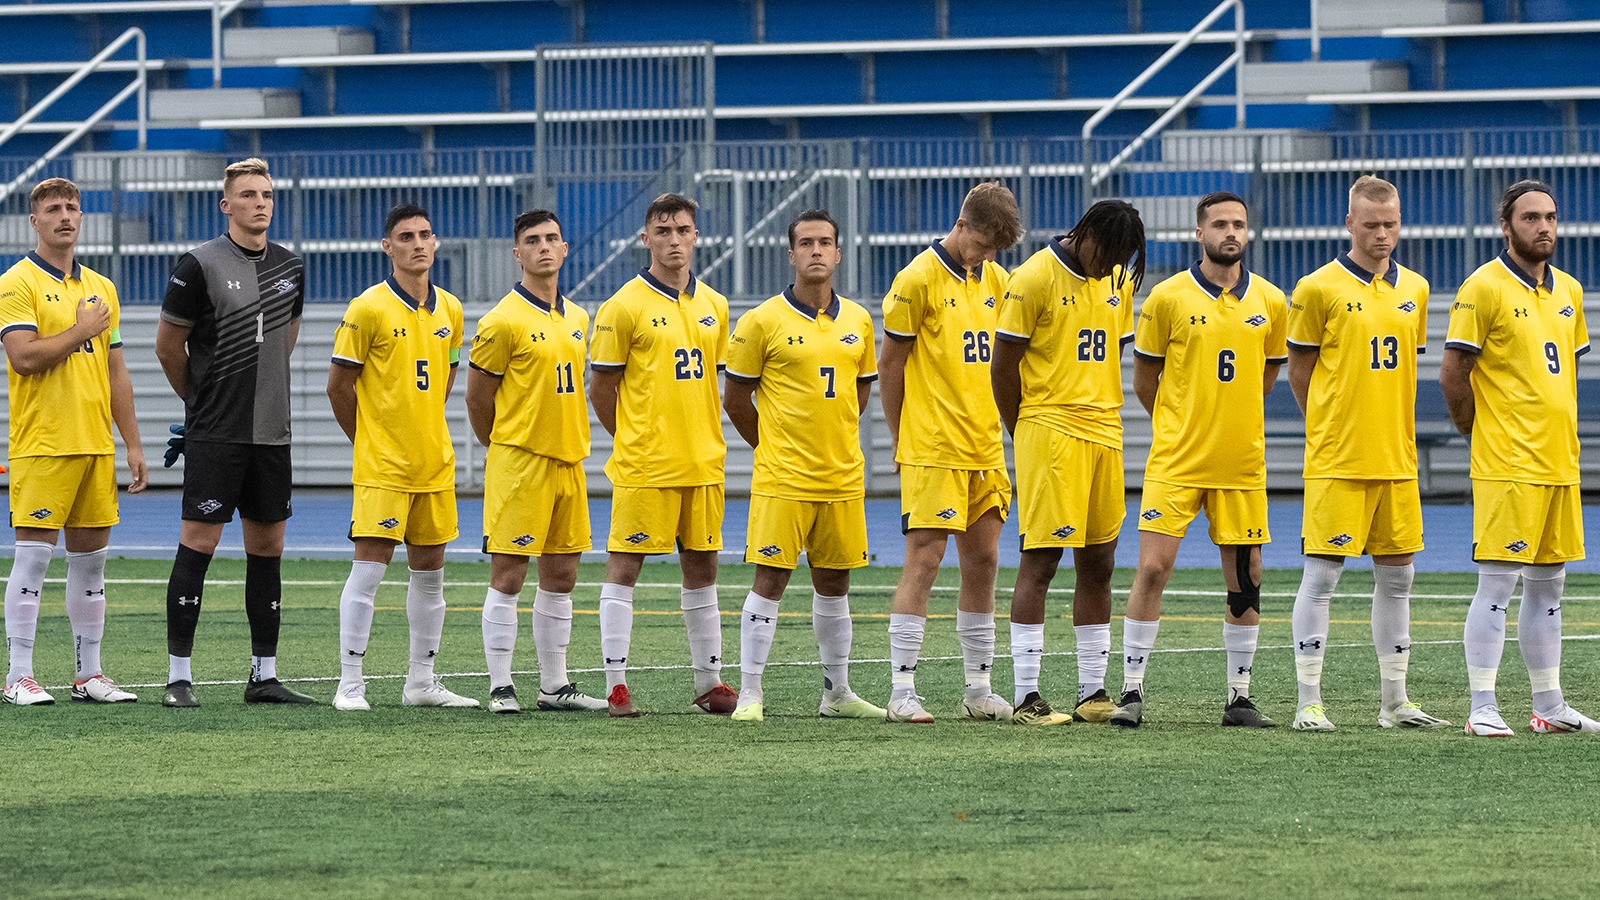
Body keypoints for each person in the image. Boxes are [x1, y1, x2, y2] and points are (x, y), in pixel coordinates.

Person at [1113, 191, 1287, 729]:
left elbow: (1267, 376)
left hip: (1241, 466)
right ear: (1199, 233)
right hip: (1177, 460)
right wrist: (1181, 419)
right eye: (1219, 224)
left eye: (1238, 223)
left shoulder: (1272, 302)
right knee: (1152, 568)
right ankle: (1131, 690)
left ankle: (1239, 697)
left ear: (1249, 232)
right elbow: (1146, 381)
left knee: (1247, 578)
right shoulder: (1166, 298)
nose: (1230, 232)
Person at [1286, 175, 1449, 732]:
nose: (1382, 235)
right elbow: (1300, 373)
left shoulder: (1417, 289)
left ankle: (1394, 701)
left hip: (1397, 460)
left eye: (1391, 224)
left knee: (1398, 580)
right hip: (1339, 459)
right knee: (1323, 577)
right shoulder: (1316, 288)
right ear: (1348, 224)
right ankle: (1309, 701)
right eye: (1372, 224)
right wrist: (1331, 426)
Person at [1441, 179, 1598, 736]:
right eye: (1530, 218)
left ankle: (1549, 706)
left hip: (1560, 462)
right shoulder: (1482, 287)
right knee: (1498, 585)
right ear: (1506, 227)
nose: (1544, 227)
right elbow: (1454, 373)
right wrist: (1476, 433)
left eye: (1551, 216)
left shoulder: (1570, 291)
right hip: (1507, 462)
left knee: (1549, 586)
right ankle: (1482, 705)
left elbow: (1564, 376)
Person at [155, 157, 313, 707]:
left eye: (266, 194)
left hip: (273, 433)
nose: (260, 202)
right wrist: (201, 404)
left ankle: (263, 676)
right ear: (226, 205)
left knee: (268, 548)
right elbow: (167, 347)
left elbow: (285, 341)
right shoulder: (197, 264)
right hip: (217, 434)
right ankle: (178, 677)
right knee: (198, 543)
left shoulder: (291, 266)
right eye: (247, 195)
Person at [723, 210, 887, 723]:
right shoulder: (761, 320)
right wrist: (771, 446)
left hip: (841, 475)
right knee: (768, 581)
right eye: (806, 243)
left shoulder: (859, 319)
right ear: (791, 254)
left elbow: (860, 391)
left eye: (825, 243)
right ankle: (750, 693)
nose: (816, 251)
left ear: (838, 253)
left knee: (835, 585)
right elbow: (735, 399)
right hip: (783, 478)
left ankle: (837, 694)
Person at [992, 200, 1146, 726]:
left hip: (1105, 430)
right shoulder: (1034, 276)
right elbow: (1003, 366)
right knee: (1042, 561)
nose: (1111, 266)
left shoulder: (1117, 279)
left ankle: (1091, 692)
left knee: (1099, 563)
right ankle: (1027, 697)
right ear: (1084, 234)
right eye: (1108, 253)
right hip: (1049, 431)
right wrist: (1024, 430)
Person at [879, 181, 1022, 724]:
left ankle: (978, 689)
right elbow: (891, 365)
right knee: (926, 559)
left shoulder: (999, 280)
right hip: (933, 445)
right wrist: (900, 438)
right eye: (982, 244)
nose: (986, 256)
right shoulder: (916, 279)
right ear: (961, 225)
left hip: (985, 445)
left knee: (984, 562)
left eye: (995, 250)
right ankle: (902, 691)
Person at [0, 177, 146, 706]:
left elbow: (116, 372)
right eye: (53, 209)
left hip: (94, 445)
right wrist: (82, 329)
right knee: (33, 561)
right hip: (43, 443)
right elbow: (24, 357)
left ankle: (89, 674)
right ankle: (19, 675)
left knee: (91, 564)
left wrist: (131, 443)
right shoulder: (16, 282)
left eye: (72, 207)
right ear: (34, 221)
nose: (65, 216)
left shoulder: (102, 288)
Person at [589, 193, 735, 717]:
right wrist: (633, 437)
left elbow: (712, 383)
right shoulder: (623, 306)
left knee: (702, 570)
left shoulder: (715, 306)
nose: (674, 239)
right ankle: (616, 685)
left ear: (696, 236)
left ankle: (710, 684)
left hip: (703, 463)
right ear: (645, 238)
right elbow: (601, 389)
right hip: (645, 465)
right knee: (624, 569)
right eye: (663, 230)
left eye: (683, 230)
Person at [328, 204, 475, 711]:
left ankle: (421, 683)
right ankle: (350, 682)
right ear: (387, 247)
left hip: (434, 463)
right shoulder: (366, 308)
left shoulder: (451, 310)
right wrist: (368, 441)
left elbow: (447, 374)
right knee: (369, 572)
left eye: (426, 234)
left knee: (430, 574)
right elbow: (338, 387)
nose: (418, 243)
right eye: (406, 236)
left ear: (435, 243)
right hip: (383, 467)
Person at [467, 209, 606, 714]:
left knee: (562, 577)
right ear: (518, 253)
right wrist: (505, 447)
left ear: (565, 249)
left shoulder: (577, 316)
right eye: (533, 240)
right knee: (509, 574)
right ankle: (501, 685)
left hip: (570, 460)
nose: (544, 247)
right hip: (521, 464)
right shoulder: (501, 320)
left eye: (552, 238)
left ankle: (555, 686)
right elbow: (478, 399)